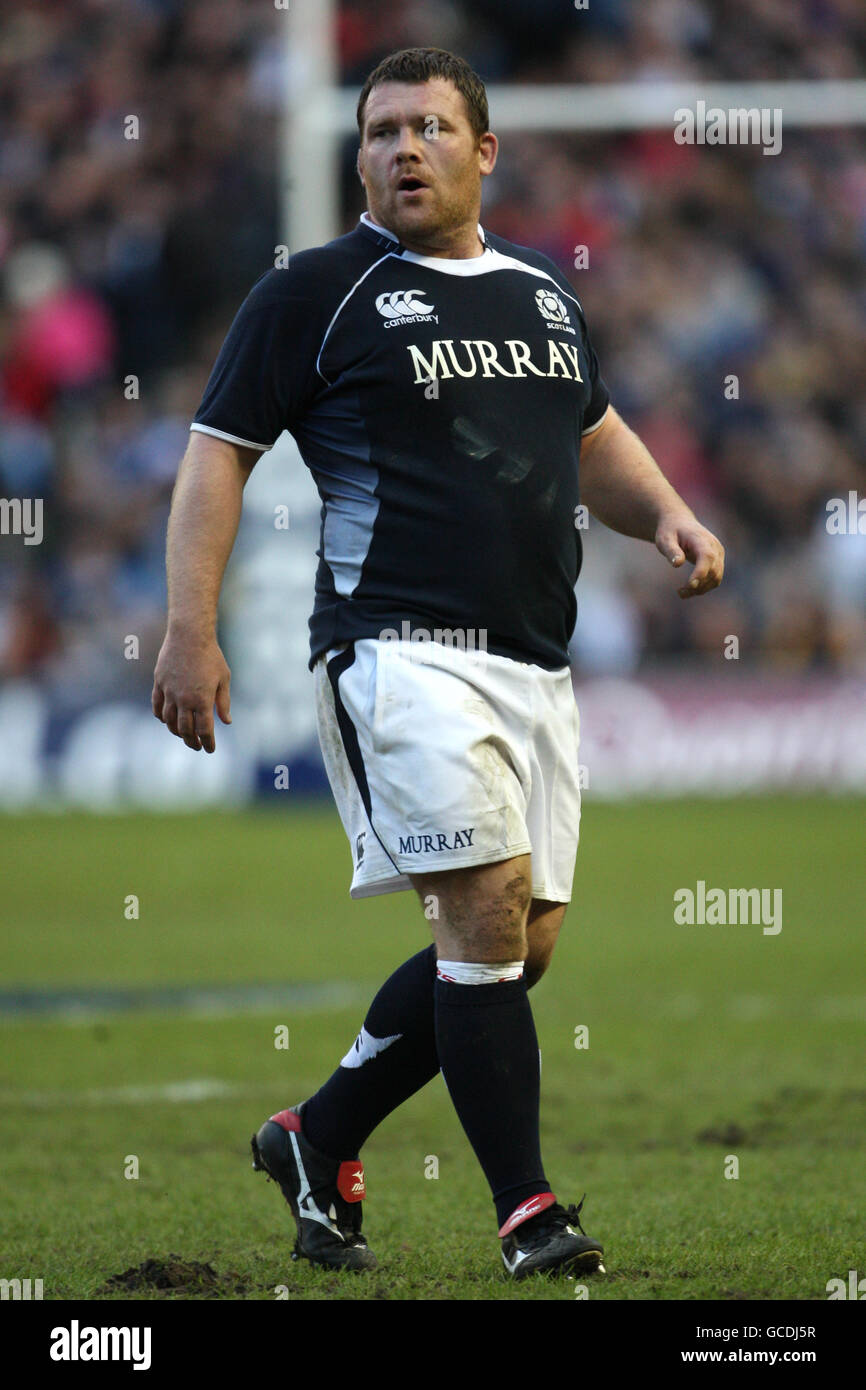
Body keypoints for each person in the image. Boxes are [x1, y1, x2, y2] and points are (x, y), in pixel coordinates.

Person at [152, 47, 724, 1281]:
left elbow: (592, 432)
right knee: (481, 908)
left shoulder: (540, 293)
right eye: (380, 132)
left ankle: (316, 1135)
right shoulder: (314, 291)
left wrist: (668, 514)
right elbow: (217, 453)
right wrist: (189, 627)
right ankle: (528, 1212)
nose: (402, 148)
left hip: (534, 660)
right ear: (357, 155)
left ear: (485, 150)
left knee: (523, 941)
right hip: (394, 649)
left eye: (428, 127)